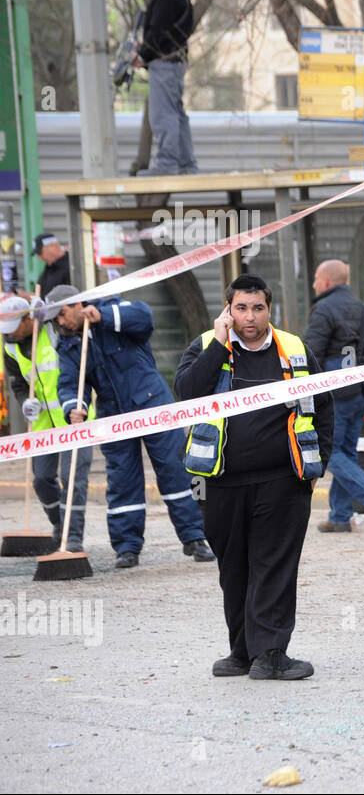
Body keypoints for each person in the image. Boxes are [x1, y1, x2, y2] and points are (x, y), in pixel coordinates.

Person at [174, 274, 334, 680]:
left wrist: (318, 467)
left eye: (257, 308)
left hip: (283, 481)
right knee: (234, 570)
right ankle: (242, 651)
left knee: (273, 567)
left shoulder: (294, 348)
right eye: (241, 308)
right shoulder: (208, 348)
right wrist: (218, 341)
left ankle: (271, 654)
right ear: (228, 310)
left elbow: (324, 406)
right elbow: (187, 393)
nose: (250, 316)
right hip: (219, 483)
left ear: (269, 309)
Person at [48, 284, 213, 569]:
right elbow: (70, 384)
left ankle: (195, 537)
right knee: (122, 479)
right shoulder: (67, 344)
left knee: (175, 469)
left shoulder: (113, 308)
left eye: (61, 314)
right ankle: (127, 547)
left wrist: (102, 316)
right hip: (113, 412)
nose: (59, 323)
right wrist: (76, 407)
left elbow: (145, 318)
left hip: (152, 402)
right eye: (54, 319)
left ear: (77, 305)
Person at [304, 260, 364, 532]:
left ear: (327, 281)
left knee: (326, 451)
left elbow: (310, 355)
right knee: (346, 452)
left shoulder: (323, 309)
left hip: (335, 396)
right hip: (362, 392)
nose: (314, 284)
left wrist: (307, 394)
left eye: (317, 278)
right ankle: (340, 516)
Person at [0, 296, 91, 551]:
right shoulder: (9, 346)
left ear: (29, 319)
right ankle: (60, 524)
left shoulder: (53, 329)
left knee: (72, 478)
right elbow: (18, 383)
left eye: (15, 327)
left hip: (74, 416)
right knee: (41, 480)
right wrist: (23, 402)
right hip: (42, 424)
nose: (11, 334)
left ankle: (72, 538)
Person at [133, 0, 197, 175]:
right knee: (176, 114)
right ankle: (187, 165)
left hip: (165, 64)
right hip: (173, 62)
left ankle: (167, 164)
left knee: (163, 114)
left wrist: (142, 56)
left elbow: (158, 33)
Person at [32, 233, 71, 299]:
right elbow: (38, 292)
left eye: (41, 253)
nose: (40, 258)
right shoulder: (48, 268)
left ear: (52, 246)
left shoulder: (71, 265)